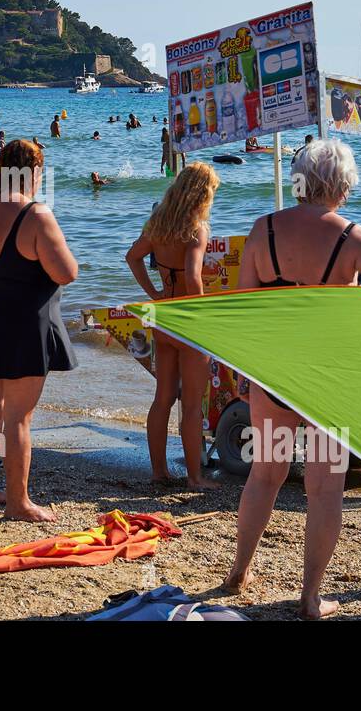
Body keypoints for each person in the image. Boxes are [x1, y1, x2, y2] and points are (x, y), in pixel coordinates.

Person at [222, 140, 361, 618]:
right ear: (343, 185)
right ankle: (308, 597)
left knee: (265, 474)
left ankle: (238, 572)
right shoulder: (354, 238)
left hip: (275, 372)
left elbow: (244, 308)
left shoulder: (263, 230)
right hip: (329, 380)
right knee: (324, 489)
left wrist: (244, 369)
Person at [0, 140, 78, 522]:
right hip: (26, 323)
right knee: (20, 418)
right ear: (35, 172)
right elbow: (66, 273)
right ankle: (18, 501)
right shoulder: (36, 214)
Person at [125, 163, 220, 488]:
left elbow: (132, 256)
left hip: (163, 316)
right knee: (192, 405)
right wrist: (202, 315)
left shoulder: (158, 223)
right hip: (187, 319)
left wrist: (153, 293)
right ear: (203, 194)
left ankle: (158, 472)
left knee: (162, 397)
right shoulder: (197, 228)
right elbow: (193, 276)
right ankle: (195, 477)